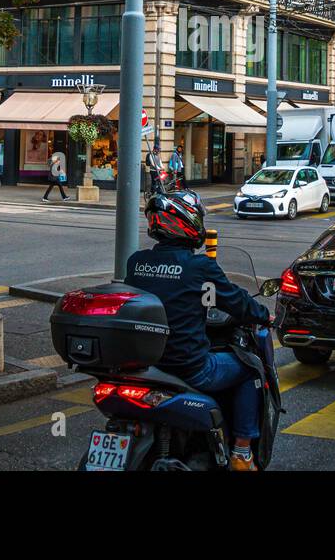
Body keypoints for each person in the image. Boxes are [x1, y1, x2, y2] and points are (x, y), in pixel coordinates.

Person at [125, 193, 271, 471]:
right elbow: (237, 302)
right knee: (252, 368)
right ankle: (241, 453)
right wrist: (265, 315)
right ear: (189, 222)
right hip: (189, 368)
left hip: (145, 365)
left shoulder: (136, 261)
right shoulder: (199, 266)